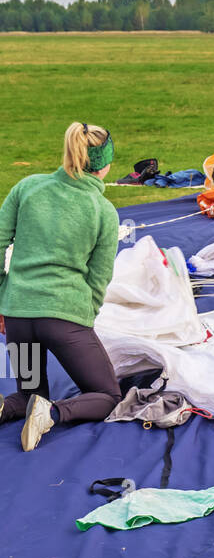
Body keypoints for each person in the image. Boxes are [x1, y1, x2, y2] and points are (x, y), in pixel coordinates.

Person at [0, 122, 121, 452]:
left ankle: (10, 407)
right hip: (64, 321)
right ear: (105, 162)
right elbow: (99, 278)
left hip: (18, 319)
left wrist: (3, 297)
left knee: (27, 393)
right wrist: (85, 316)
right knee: (108, 397)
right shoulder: (103, 212)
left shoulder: (27, 188)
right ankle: (52, 413)